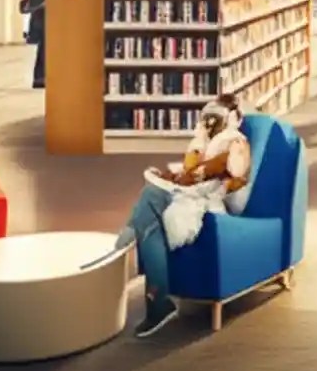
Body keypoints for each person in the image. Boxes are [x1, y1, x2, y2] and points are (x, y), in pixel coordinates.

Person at [93, 94, 251, 337]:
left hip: (210, 202)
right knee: (152, 213)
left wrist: (185, 175)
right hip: (193, 194)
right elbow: (191, 169)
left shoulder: (236, 143)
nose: (208, 124)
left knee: (150, 202)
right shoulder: (206, 142)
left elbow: (213, 174)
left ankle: (132, 233)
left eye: (214, 118)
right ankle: (157, 304)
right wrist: (188, 159)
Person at [19, 0, 61, 89]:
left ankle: (40, 78)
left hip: (42, 18)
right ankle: (40, 78)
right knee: (45, 48)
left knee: (44, 48)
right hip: (42, 19)